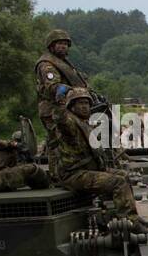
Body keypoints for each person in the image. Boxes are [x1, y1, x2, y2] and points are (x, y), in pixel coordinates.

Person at [54, 88, 141, 219]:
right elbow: (61, 119)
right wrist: (60, 103)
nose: (84, 107)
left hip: (86, 170)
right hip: (74, 174)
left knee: (123, 175)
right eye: (80, 103)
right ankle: (131, 221)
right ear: (71, 107)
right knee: (118, 182)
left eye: (87, 103)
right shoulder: (70, 122)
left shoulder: (84, 123)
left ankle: (116, 213)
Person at [35, 29, 89, 170]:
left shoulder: (63, 62)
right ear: (51, 46)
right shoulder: (47, 65)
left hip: (63, 108)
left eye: (65, 43)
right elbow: (53, 87)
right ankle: (56, 175)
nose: (63, 46)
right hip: (52, 109)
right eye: (59, 43)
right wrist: (73, 91)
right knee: (57, 142)